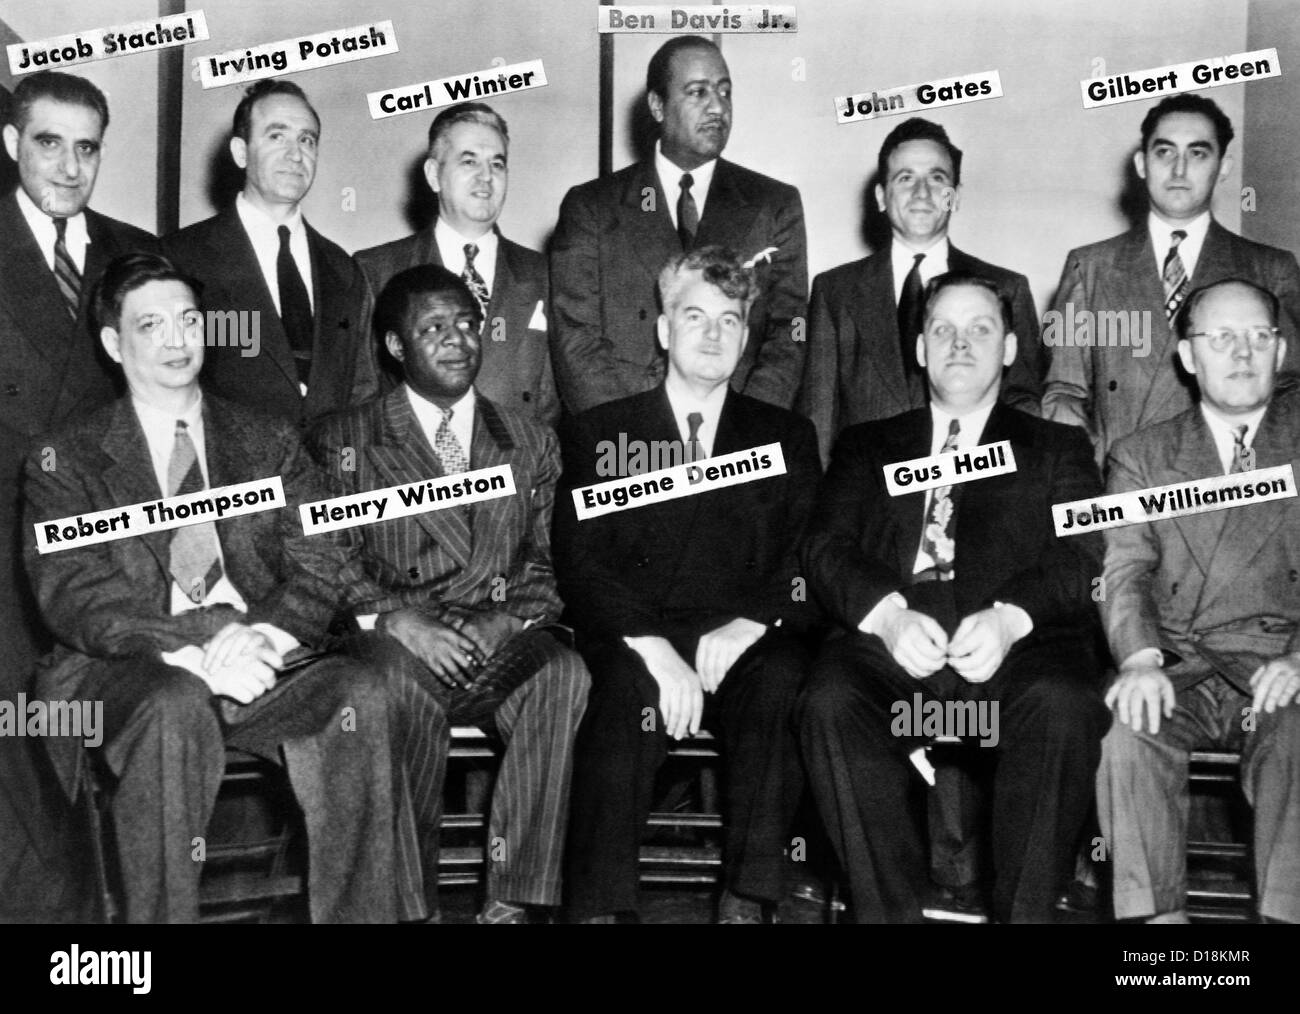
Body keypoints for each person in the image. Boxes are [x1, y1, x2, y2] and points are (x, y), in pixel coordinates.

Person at [23, 253, 405, 923]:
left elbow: (321, 561)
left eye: (189, 320)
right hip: (134, 667)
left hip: (258, 655)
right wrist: (201, 641)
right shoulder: (67, 458)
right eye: (152, 325)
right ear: (115, 344)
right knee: (172, 707)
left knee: (360, 692)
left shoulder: (268, 441)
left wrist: (260, 634)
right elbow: (77, 596)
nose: (177, 340)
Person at [798, 272, 1109, 923]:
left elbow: (1084, 552)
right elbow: (825, 548)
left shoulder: (1056, 448)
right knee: (828, 700)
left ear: (1010, 348)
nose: (960, 344)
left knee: (1064, 706)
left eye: (980, 330)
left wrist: (1008, 618)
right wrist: (885, 618)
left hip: (1014, 657)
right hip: (895, 653)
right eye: (943, 329)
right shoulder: (867, 444)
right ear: (919, 348)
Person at [307, 264, 589, 924]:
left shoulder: (529, 440)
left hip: (494, 640)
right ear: (395, 346)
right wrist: (393, 617)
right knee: (389, 688)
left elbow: (553, 562)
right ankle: (413, 906)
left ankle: (512, 898)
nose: (458, 340)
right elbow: (321, 556)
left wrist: (510, 621)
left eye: (467, 324)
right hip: (397, 643)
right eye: (434, 328)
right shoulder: (341, 440)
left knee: (564, 673)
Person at [555, 246, 820, 923]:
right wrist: (651, 646)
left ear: (745, 335)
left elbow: (808, 552)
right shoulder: (601, 433)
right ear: (664, 329)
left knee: (783, 681)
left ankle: (747, 895)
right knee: (619, 697)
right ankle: (602, 907)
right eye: (694, 316)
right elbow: (582, 562)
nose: (712, 335)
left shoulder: (785, 436)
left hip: (743, 633)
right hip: (639, 636)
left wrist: (756, 621)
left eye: (729, 321)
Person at [0, 69, 158, 921]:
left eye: (86, 148)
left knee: (108, 741)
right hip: (2, 548)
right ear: (11, 143)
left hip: (111, 551)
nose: (67, 167)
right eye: (47, 143)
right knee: (21, 757)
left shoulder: (136, 257)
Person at [1097, 277, 1300, 924]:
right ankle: (1160, 929)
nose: (1242, 353)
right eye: (1221, 338)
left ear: (1281, 350)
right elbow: (1125, 570)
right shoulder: (1142, 456)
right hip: (1179, 661)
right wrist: (1138, 660)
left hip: (1279, 662)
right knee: (1122, 726)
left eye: (1258, 337)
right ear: (1189, 356)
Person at [551, 36, 807, 415]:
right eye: (697, 92)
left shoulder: (774, 204)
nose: (717, 106)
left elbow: (793, 329)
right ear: (657, 106)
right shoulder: (592, 207)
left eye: (725, 91)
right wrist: (636, 432)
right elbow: (576, 338)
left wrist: (747, 430)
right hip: (628, 439)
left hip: (739, 439)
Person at [1042, 93, 1300, 467]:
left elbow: (1291, 392)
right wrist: (1093, 470)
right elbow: (1063, 392)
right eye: (1164, 152)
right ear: (1141, 164)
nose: (1179, 170)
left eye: (1197, 153)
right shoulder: (1089, 266)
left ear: (1224, 166)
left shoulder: (1271, 269)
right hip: (1119, 485)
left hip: (1227, 486)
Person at [800, 118, 1043, 466]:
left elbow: (1023, 408)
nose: (922, 193)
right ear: (882, 197)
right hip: (868, 499)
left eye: (937, 178)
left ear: (955, 196)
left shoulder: (1007, 288)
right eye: (905, 178)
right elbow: (818, 418)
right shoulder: (835, 291)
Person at [162, 79, 377, 424]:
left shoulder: (343, 268)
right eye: (277, 136)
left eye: (307, 140)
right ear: (241, 152)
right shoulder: (180, 259)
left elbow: (361, 394)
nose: (295, 155)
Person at [355, 103, 557, 427]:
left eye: (497, 164)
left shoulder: (545, 274)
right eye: (469, 161)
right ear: (434, 175)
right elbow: (362, 400)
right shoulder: (375, 271)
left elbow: (554, 404)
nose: (486, 177)